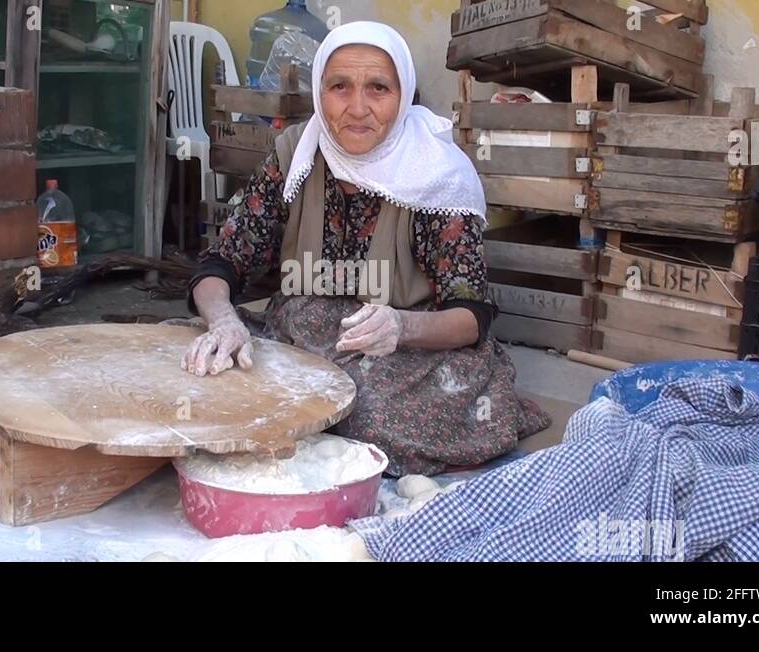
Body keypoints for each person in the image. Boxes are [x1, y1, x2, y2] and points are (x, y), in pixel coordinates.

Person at [182, 21, 550, 476]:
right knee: (204, 372)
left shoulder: (435, 174)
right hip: (300, 339)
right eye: (340, 86)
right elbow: (223, 260)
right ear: (320, 92)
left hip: (404, 356)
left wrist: (401, 325)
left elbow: (471, 318)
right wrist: (223, 322)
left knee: (360, 415)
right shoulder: (297, 153)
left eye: (378, 88)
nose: (358, 108)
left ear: (403, 94)